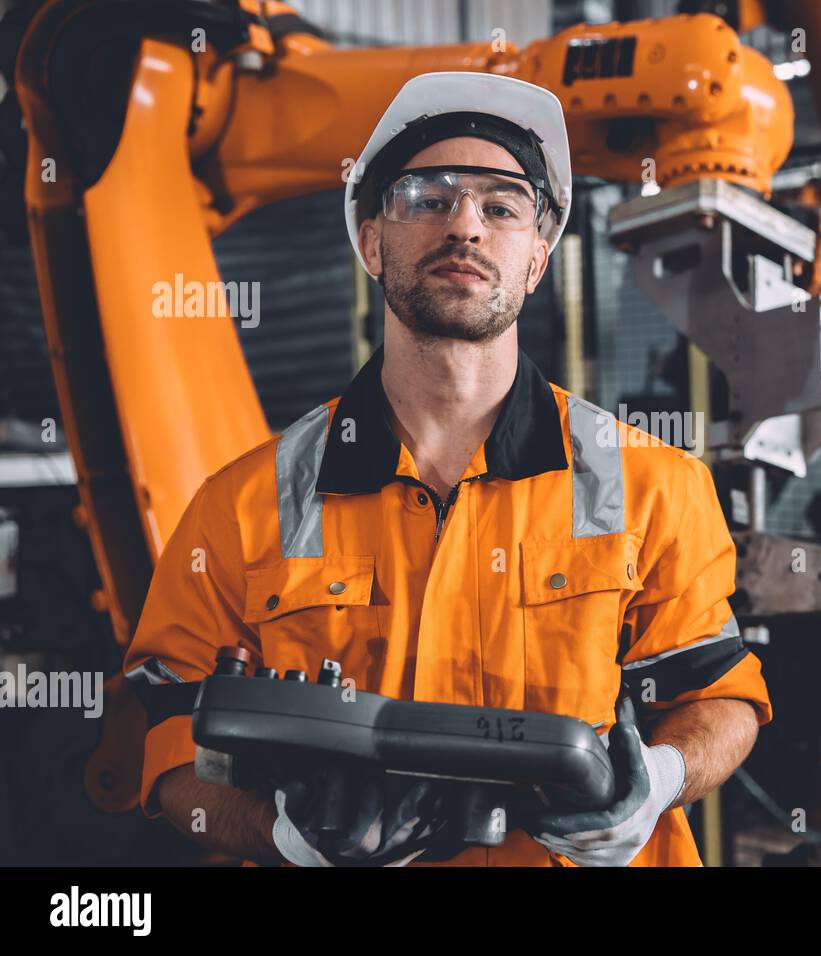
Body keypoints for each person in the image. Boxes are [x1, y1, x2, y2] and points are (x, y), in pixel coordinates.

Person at [123, 72, 772, 867]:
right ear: (372, 242)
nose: (465, 225)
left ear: (536, 261)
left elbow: (720, 696)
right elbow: (163, 724)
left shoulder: (655, 485)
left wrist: (661, 779)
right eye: (427, 199)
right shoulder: (244, 502)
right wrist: (280, 836)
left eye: (501, 207)